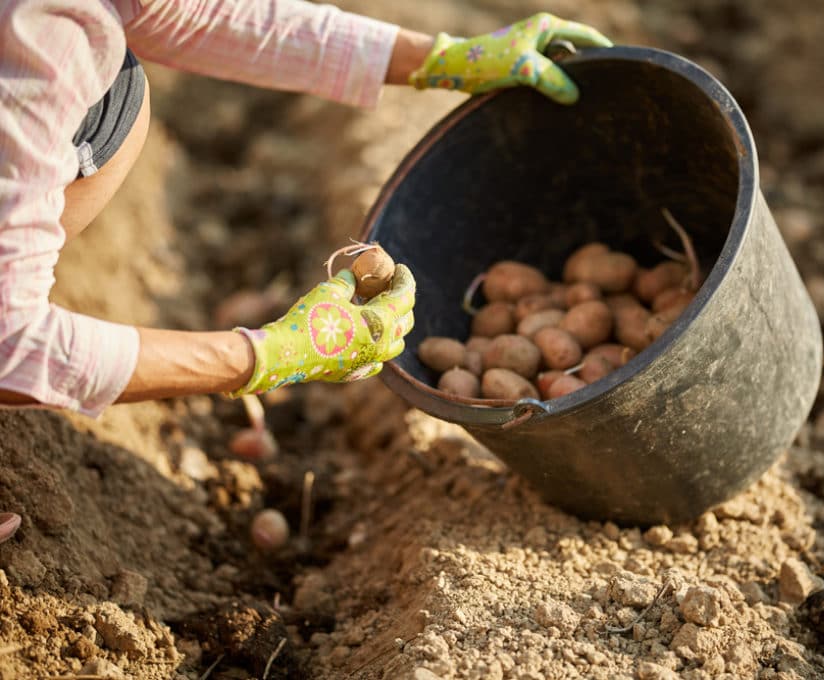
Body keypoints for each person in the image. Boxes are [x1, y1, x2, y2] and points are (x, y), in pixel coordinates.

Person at [0, 1, 611, 543]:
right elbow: (10, 343)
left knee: (116, 94)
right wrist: (267, 356)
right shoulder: (45, 32)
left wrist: (440, 58)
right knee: (114, 106)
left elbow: (193, 14)